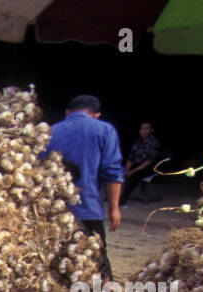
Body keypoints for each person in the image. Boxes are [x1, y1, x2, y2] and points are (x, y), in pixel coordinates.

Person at [43, 94, 123, 279]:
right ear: (96, 115)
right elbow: (112, 172)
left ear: (67, 112)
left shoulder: (50, 131)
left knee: (55, 263)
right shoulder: (104, 130)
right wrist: (114, 208)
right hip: (88, 208)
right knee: (96, 259)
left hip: (52, 210)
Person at [121, 121, 167, 203]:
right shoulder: (137, 142)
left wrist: (132, 171)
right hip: (137, 165)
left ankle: (122, 200)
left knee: (134, 176)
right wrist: (126, 171)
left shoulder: (154, 142)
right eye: (142, 129)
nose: (144, 131)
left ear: (151, 130)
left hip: (150, 167)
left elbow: (148, 161)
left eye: (147, 128)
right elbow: (131, 158)